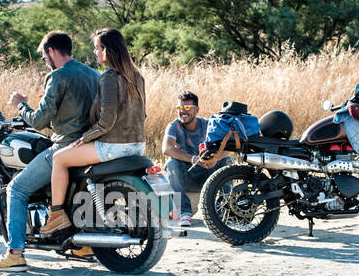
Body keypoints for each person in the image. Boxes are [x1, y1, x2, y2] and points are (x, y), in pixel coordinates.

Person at [0, 31, 99, 270]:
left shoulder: (57, 76)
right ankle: (82, 246)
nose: (44, 60)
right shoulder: (93, 74)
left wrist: (21, 105)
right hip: (90, 146)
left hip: (65, 146)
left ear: (51, 51)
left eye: (43, 56)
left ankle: (15, 253)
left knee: (16, 189)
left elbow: (37, 121)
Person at [40, 28, 147, 236]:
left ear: (107, 50)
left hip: (112, 145)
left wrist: (82, 139)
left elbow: (106, 122)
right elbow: (142, 116)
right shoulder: (136, 76)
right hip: (137, 144)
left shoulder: (109, 77)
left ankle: (57, 215)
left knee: (60, 158)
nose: (95, 52)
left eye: (98, 48)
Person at [162, 91, 230, 225]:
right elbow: (167, 149)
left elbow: (228, 148)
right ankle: (183, 212)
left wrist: (215, 158)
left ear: (197, 110)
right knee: (171, 164)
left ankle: (222, 209)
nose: (183, 111)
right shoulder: (174, 126)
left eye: (187, 108)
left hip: (209, 173)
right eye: (179, 108)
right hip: (188, 176)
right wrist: (193, 159)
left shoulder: (208, 124)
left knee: (228, 161)